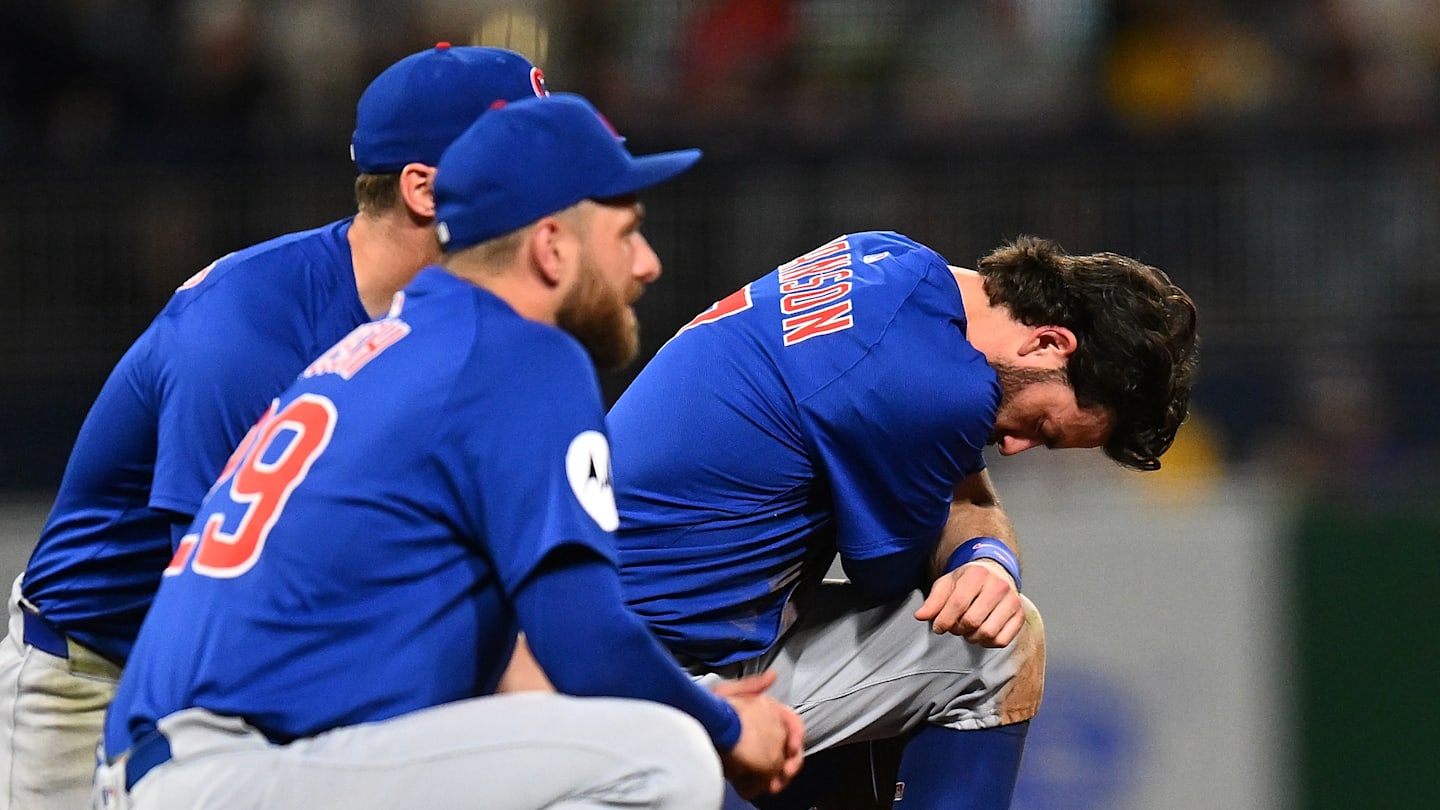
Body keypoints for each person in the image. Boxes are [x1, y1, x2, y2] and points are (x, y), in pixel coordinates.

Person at [95, 92, 805, 810]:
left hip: (190, 765)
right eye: (627, 233)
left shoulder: (394, 348)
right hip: (230, 771)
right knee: (666, 757)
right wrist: (720, 724)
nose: (647, 263)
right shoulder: (522, 356)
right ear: (551, 247)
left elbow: (526, 672)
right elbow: (583, 637)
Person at [0, 42, 551, 810]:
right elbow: (218, 632)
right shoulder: (243, 336)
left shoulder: (468, 325)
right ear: (427, 190)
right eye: (530, 160)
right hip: (97, 684)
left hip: (284, 668)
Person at [608, 231, 1200, 808]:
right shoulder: (935, 391)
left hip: (598, 622)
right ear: (1048, 343)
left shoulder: (887, 260)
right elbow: (897, 578)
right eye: (1040, 427)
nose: (1014, 447)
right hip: (644, 677)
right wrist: (975, 554)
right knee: (992, 648)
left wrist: (986, 559)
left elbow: (961, 499)